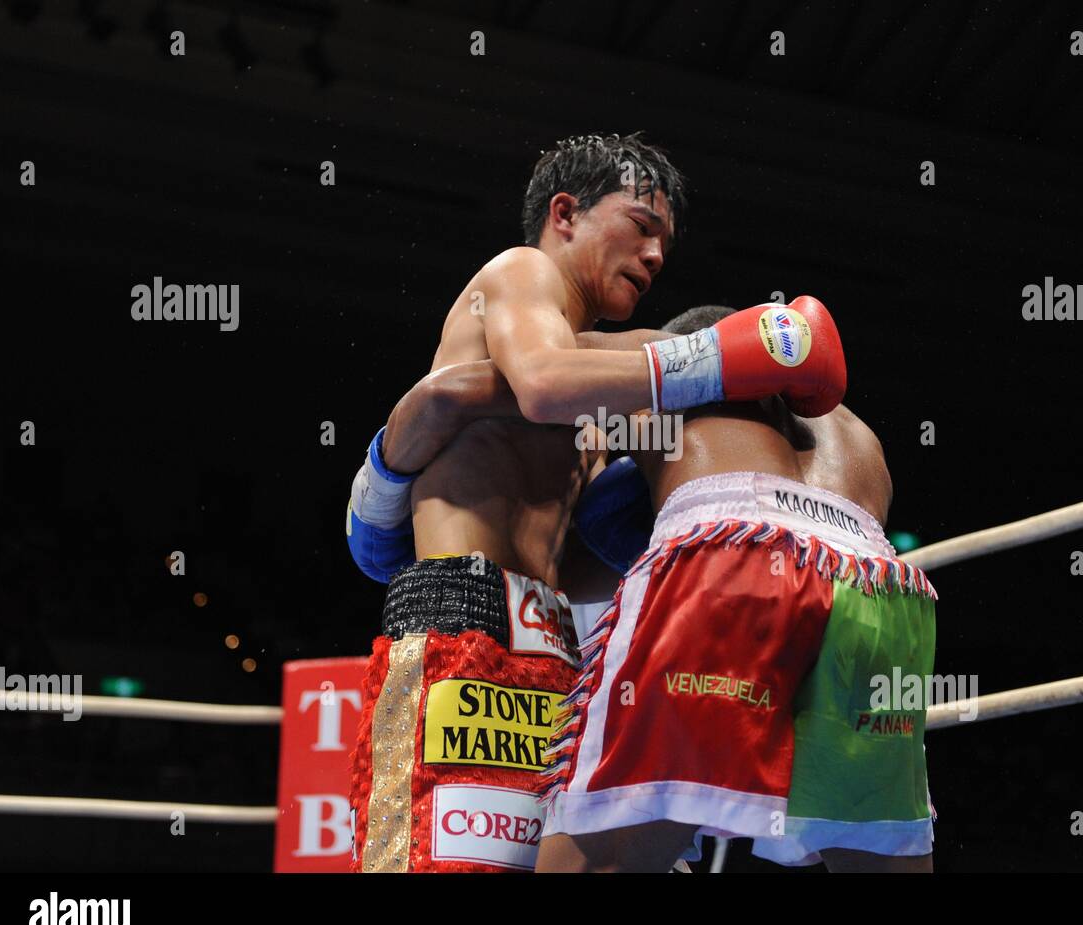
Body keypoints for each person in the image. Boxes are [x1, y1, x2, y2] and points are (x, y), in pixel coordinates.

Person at [344, 133, 847, 873]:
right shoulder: (521, 273)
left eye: (665, 245)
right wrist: (716, 360)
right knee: (421, 862)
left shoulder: (606, 373)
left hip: (556, 644)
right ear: (566, 213)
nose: (654, 258)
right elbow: (543, 386)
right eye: (642, 228)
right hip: (461, 615)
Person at [535, 305, 939, 873]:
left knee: (591, 862)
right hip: (878, 589)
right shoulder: (856, 431)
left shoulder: (675, 359)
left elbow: (538, 359)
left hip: (730, 556)